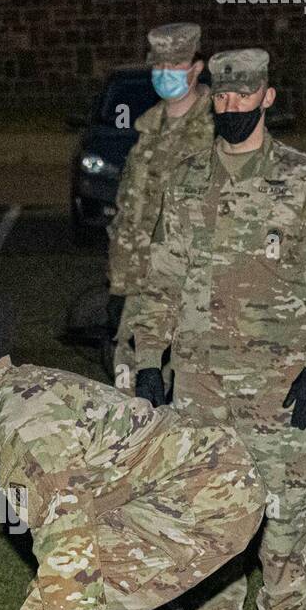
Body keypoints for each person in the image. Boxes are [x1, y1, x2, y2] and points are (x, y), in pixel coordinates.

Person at [0, 283, 264, 610]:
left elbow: (69, 553)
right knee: (49, 601)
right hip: (194, 479)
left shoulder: (26, 426)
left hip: (211, 495)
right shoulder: (18, 392)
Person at [131, 49, 306, 610]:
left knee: (284, 496)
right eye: (222, 97)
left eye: (244, 96)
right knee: (209, 496)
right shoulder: (187, 181)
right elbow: (161, 277)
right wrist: (149, 356)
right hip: (200, 377)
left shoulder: (304, 182)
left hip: (279, 377)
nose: (231, 107)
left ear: (267, 97)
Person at [108, 22, 213, 395]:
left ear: (197, 67)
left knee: (184, 386)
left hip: (188, 282)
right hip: (139, 278)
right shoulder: (149, 127)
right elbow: (130, 208)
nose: (165, 75)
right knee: (131, 380)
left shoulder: (216, 127)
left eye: (176, 66)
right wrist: (119, 280)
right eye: (159, 67)